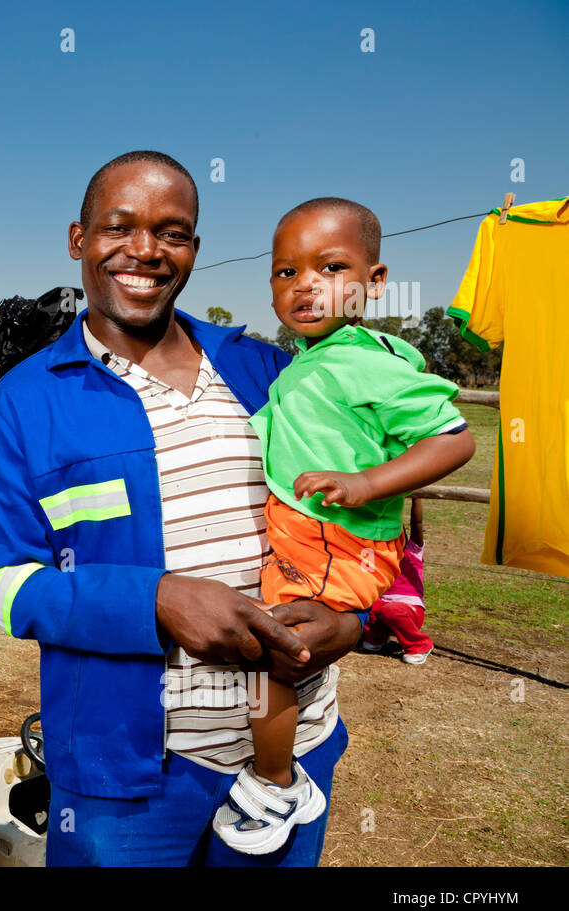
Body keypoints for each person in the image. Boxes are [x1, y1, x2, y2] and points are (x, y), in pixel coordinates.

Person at [0, 151, 366, 867]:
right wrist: (154, 601)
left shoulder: (267, 370)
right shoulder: (27, 402)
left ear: (194, 249)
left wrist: (352, 619)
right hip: (126, 778)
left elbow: (370, 508)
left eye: (171, 232)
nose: (145, 251)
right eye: (119, 227)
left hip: (292, 750)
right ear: (77, 239)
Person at [212, 198, 475, 855]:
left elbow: (454, 439)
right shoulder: (308, 358)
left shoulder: (364, 359)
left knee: (276, 648)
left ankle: (275, 783)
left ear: (374, 281)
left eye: (330, 267)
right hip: (308, 531)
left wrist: (365, 484)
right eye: (285, 271)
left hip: (337, 539)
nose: (304, 284)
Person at [360, 496, 433, 664]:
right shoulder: (378, 553)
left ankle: (420, 645)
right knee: (368, 606)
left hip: (408, 609)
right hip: (383, 607)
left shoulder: (412, 551)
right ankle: (377, 637)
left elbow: (417, 524)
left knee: (391, 610)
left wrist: (416, 498)